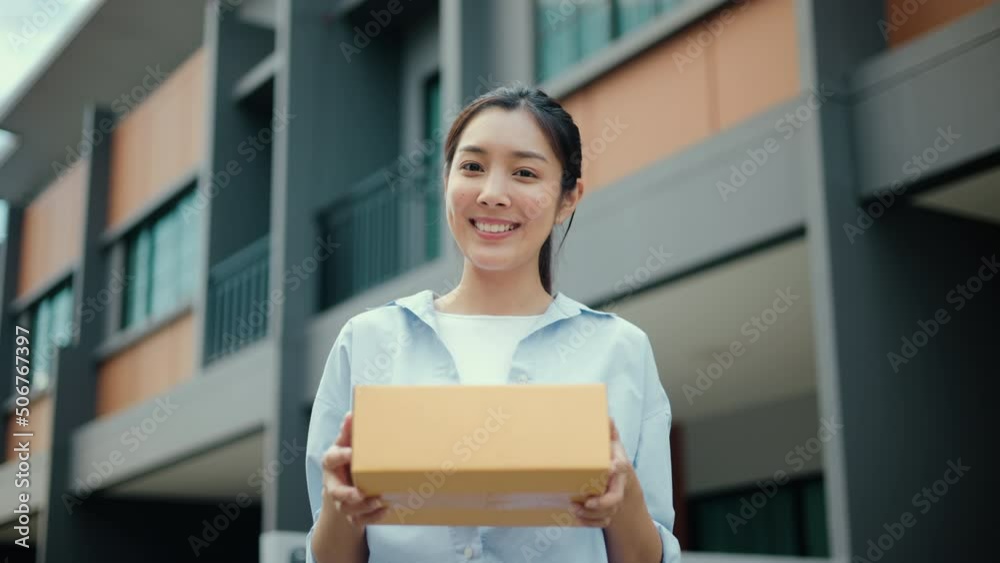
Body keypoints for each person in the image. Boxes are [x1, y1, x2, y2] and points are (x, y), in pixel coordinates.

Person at [305, 86, 682, 563]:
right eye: (472, 167)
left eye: (524, 173)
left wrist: (622, 499)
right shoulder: (367, 342)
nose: (492, 194)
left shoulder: (621, 349)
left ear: (569, 198)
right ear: (446, 181)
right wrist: (343, 510)